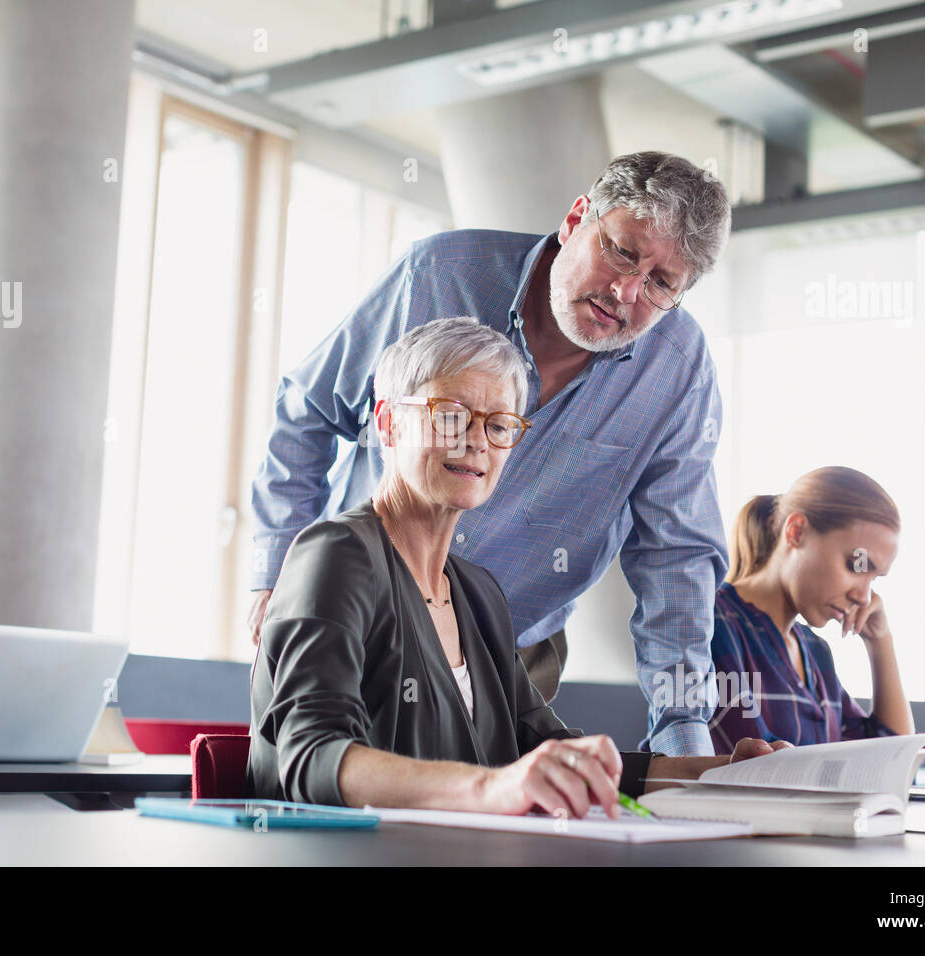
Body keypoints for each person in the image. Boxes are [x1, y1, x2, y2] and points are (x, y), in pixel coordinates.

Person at [249, 151, 733, 756]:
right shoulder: (440, 274)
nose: (625, 292)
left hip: (512, 651)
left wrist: (685, 741)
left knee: (497, 836)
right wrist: (276, 576)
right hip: (359, 613)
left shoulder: (678, 368)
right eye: (621, 251)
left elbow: (677, 556)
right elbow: (307, 410)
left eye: (661, 284)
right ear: (577, 218)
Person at [248, 318, 788, 815]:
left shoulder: (477, 593)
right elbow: (311, 758)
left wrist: (719, 774)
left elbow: (549, 751)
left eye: (499, 425)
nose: (476, 442)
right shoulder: (336, 554)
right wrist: (494, 787)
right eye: (450, 415)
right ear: (388, 423)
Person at [697, 466, 914, 752]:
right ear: (796, 531)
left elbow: (894, 758)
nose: (864, 597)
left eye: (874, 578)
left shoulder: (815, 650)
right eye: (855, 565)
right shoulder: (713, 622)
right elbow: (762, 765)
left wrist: (880, 641)